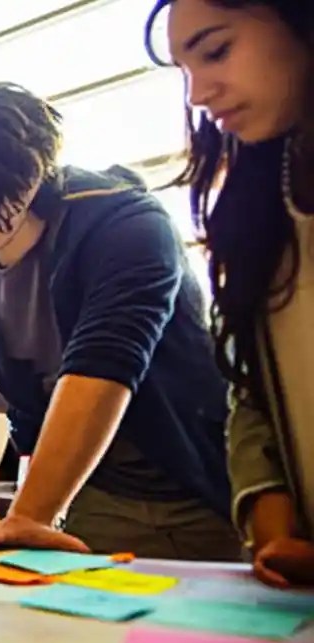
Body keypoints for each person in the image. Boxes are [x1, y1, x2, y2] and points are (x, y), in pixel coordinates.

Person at [0, 81, 240, 560]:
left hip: (202, 481)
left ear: (32, 171)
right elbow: (51, 379)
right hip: (97, 492)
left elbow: (103, 367)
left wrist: (29, 515)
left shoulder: (128, 226)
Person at [149, 0, 314, 583]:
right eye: (184, 71)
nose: (198, 93)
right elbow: (253, 397)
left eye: (216, 51)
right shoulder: (259, 207)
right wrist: (272, 525)